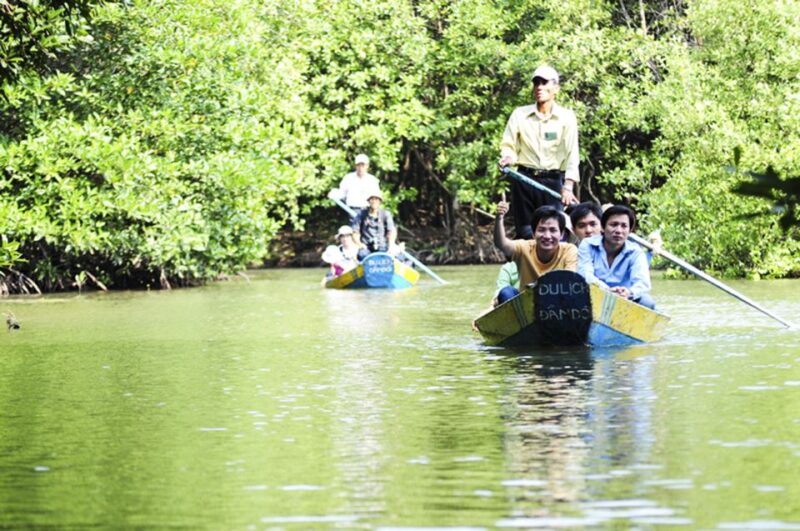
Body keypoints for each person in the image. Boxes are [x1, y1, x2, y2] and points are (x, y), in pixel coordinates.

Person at [498, 64, 580, 239]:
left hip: (553, 181)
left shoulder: (566, 117)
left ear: (556, 88)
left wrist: (568, 186)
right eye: (536, 83)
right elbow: (509, 145)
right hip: (524, 179)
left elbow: (572, 153)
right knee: (526, 232)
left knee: (552, 232)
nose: (539, 87)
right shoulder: (519, 114)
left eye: (544, 83)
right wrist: (507, 158)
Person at [493, 203, 578, 304]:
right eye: (541, 230)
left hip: (557, 303)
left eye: (553, 230)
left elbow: (569, 279)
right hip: (527, 303)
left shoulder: (569, 250)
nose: (547, 236)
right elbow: (502, 244)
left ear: (561, 234)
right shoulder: (524, 247)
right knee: (506, 293)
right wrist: (499, 218)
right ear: (533, 234)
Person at [577, 205, 656, 309]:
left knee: (648, 302)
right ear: (603, 227)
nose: (618, 230)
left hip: (625, 298)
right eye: (613, 225)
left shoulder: (636, 252)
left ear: (629, 231)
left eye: (624, 226)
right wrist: (607, 290)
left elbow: (643, 283)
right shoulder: (587, 244)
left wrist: (629, 292)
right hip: (595, 294)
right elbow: (585, 275)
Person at [328, 154, 380, 221]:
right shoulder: (348, 178)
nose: (360, 168)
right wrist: (333, 194)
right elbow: (341, 193)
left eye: (363, 165)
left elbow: (377, 199)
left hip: (368, 212)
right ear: (355, 166)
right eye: (358, 165)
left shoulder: (372, 180)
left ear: (367, 166)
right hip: (352, 211)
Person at [351, 190, 399, 261]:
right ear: (368, 201)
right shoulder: (361, 214)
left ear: (380, 201)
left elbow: (391, 231)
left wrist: (391, 245)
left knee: (393, 256)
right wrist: (360, 244)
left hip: (382, 245)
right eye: (372, 199)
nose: (374, 201)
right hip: (366, 247)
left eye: (376, 199)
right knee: (361, 255)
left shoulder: (385, 214)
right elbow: (355, 232)